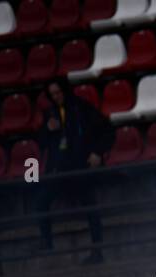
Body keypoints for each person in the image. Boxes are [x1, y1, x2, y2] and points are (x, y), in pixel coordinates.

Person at [34, 78, 113, 264]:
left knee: (91, 208)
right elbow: (41, 142)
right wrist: (47, 129)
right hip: (59, 169)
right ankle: (47, 242)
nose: (56, 97)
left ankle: (97, 251)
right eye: (52, 94)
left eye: (58, 92)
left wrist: (98, 153)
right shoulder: (50, 113)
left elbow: (107, 130)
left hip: (80, 167)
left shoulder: (81, 108)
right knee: (41, 201)